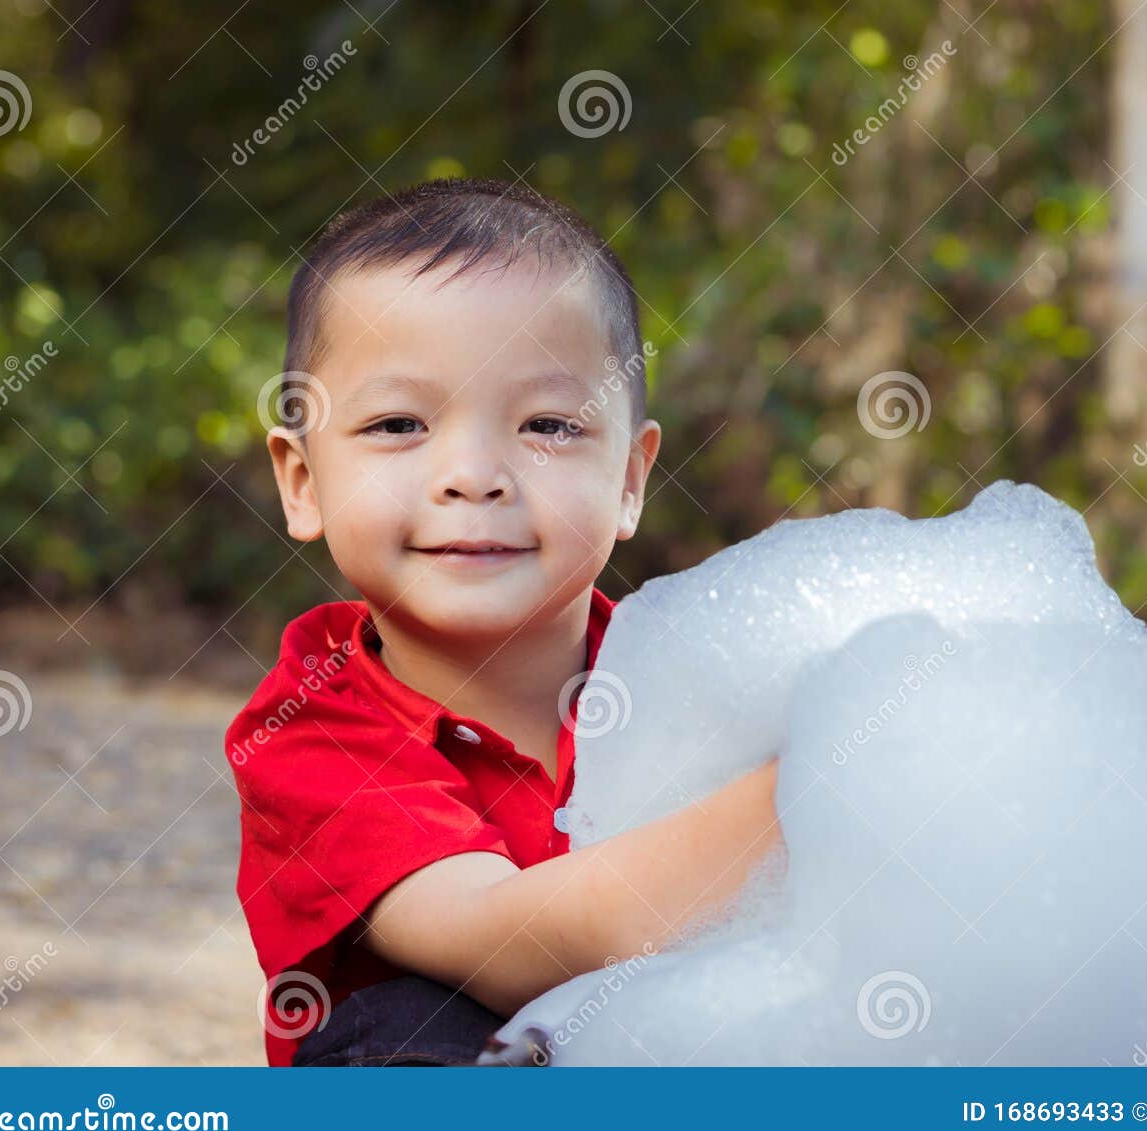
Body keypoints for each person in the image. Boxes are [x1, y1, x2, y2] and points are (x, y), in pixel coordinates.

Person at [225, 177, 781, 1066]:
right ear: (302, 480)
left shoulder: (691, 673)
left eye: (549, 424)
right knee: (408, 1023)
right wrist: (808, 788)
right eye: (400, 422)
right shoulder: (311, 733)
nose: (474, 474)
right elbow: (503, 944)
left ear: (631, 479)